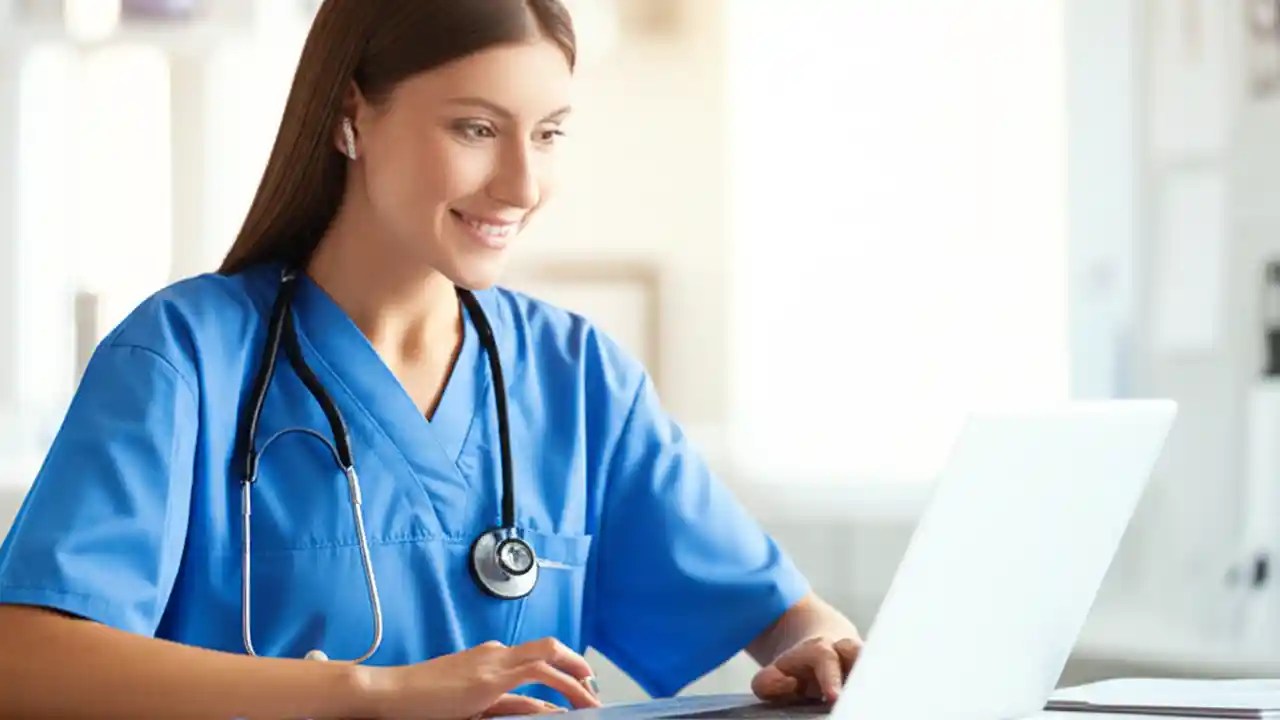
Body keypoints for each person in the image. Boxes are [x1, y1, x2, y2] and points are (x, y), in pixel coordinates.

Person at [0, 1, 863, 718]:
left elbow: (784, 619)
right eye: (477, 128)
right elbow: (26, 659)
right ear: (349, 116)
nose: (523, 184)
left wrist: (820, 652)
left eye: (551, 134)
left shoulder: (576, 378)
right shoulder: (184, 358)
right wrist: (377, 692)